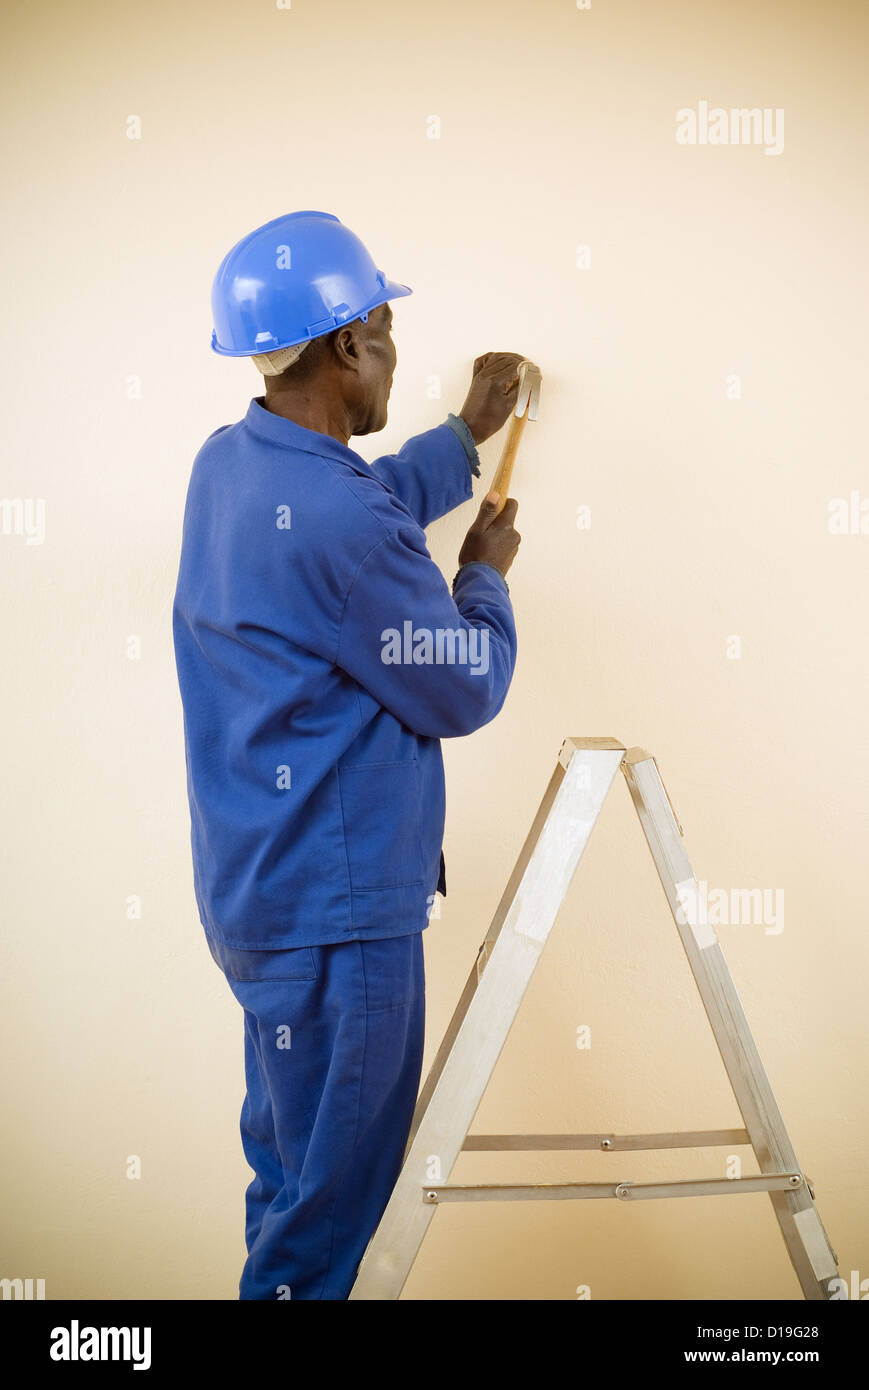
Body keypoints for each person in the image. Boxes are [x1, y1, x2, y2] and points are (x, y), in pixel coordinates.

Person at [172, 211, 524, 1299]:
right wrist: (484, 574)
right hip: (340, 929)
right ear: (343, 346)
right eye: (383, 326)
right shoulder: (336, 519)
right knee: (327, 1232)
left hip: (262, 908)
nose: (394, 352)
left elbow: (351, 508)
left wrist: (463, 437)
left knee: (287, 1191)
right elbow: (462, 683)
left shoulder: (233, 466)